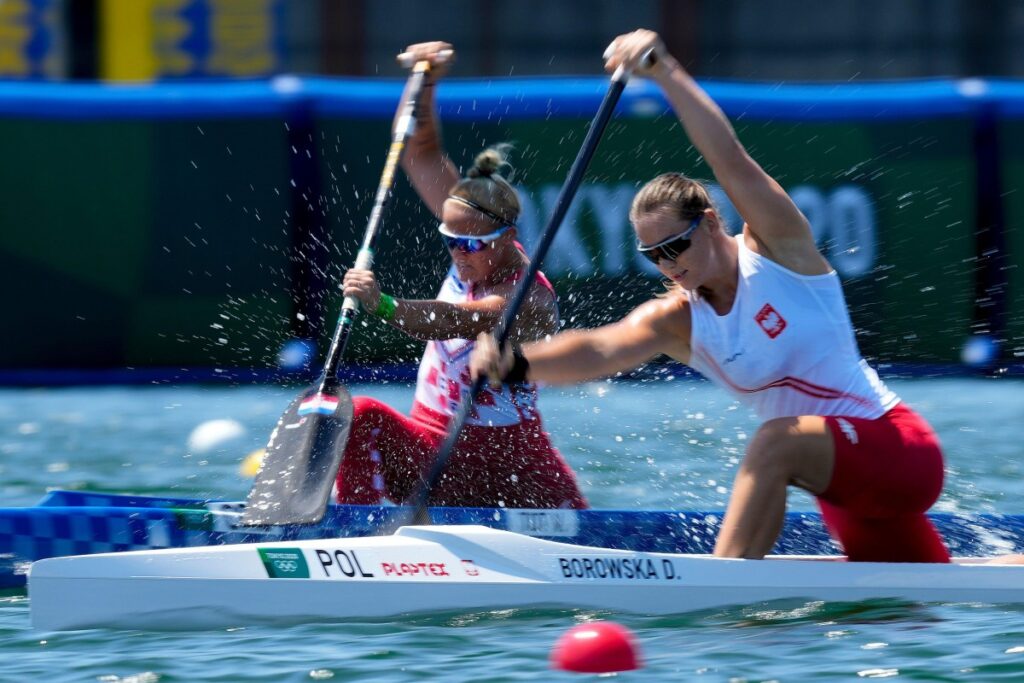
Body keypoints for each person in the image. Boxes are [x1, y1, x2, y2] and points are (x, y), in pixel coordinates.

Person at [471, 29, 950, 562]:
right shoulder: (678, 318)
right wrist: (515, 364)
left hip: (898, 450)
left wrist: (665, 71)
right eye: (654, 256)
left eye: (676, 245)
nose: (669, 264)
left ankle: (723, 593)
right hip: (841, 486)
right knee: (915, 607)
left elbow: (730, 158)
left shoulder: (777, 250)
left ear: (711, 221)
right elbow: (602, 349)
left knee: (775, 440)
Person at [335, 41, 587, 510]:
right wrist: (424, 82)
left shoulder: (528, 297)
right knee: (356, 414)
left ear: (509, 237)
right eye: (450, 240)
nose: (458, 253)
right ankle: (353, 535)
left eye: (470, 245)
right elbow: (419, 151)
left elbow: (453, 319)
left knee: (602, 554)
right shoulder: (468, 223)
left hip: (512, 463)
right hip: (431, 445)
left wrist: (383, 303)